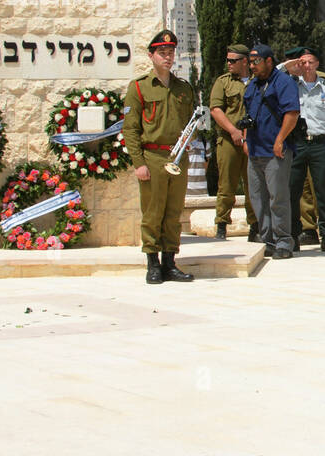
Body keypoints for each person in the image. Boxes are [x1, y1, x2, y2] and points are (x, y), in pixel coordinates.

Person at [122, 30, 198, 284]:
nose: (167, 57)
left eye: (171, 52)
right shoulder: (139, 87)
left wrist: (188, 142)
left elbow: (192, 121)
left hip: (176, 158)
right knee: (153, 212)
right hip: (152, 157)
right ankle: (152, 263)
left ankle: (170, 262)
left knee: (174, 212)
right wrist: (138, 163)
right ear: (151, 55)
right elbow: (130, 129)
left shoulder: (183, 88)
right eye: (162, 53)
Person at [242, 44, 301, 260]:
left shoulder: (283, 82)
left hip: (275, 151)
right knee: (258, 198)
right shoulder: (252, 85)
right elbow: (249, 113)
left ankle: (284, 241)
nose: (252, 66)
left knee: (278, 198)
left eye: (256, 62)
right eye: (250, 62)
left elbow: (292, 113)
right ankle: (266, 239)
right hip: (255, 150)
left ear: (269, 61)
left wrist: (280, 140)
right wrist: (245, 139)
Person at [285, 47, 325, 253]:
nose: (307, 66)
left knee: (324, 192)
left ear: (317, 64)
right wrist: (289, 67)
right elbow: (275, 73)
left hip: (320, 144)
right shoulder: (291, 86)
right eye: (302, 62)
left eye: (310, 62)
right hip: (297, 143)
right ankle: (293, 234)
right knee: (293, 190)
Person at [207, 43, 257, 242]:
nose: (228, 64)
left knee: (253, 185)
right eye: (227, 60)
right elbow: (216, 110)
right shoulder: (223, 82)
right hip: (229, 139)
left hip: (253, 140)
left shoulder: (257, 81)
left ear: (245, 61)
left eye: (232, 61)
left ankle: (255, 226)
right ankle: (221, 224)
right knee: (226, 184)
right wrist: (234, 131)